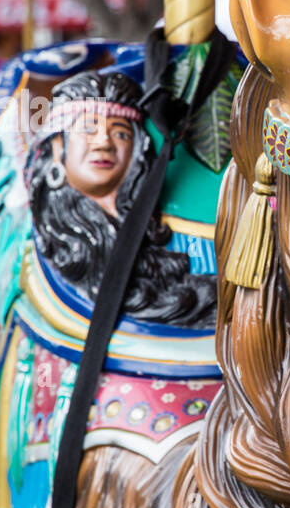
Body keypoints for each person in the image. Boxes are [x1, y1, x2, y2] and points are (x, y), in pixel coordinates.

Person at [27, 70, 216, 329]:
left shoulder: (158, 233)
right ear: (60, 145)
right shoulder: (60, 237)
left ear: (135, 152)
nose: (104, 142)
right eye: (89, 129)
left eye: (120, 134)